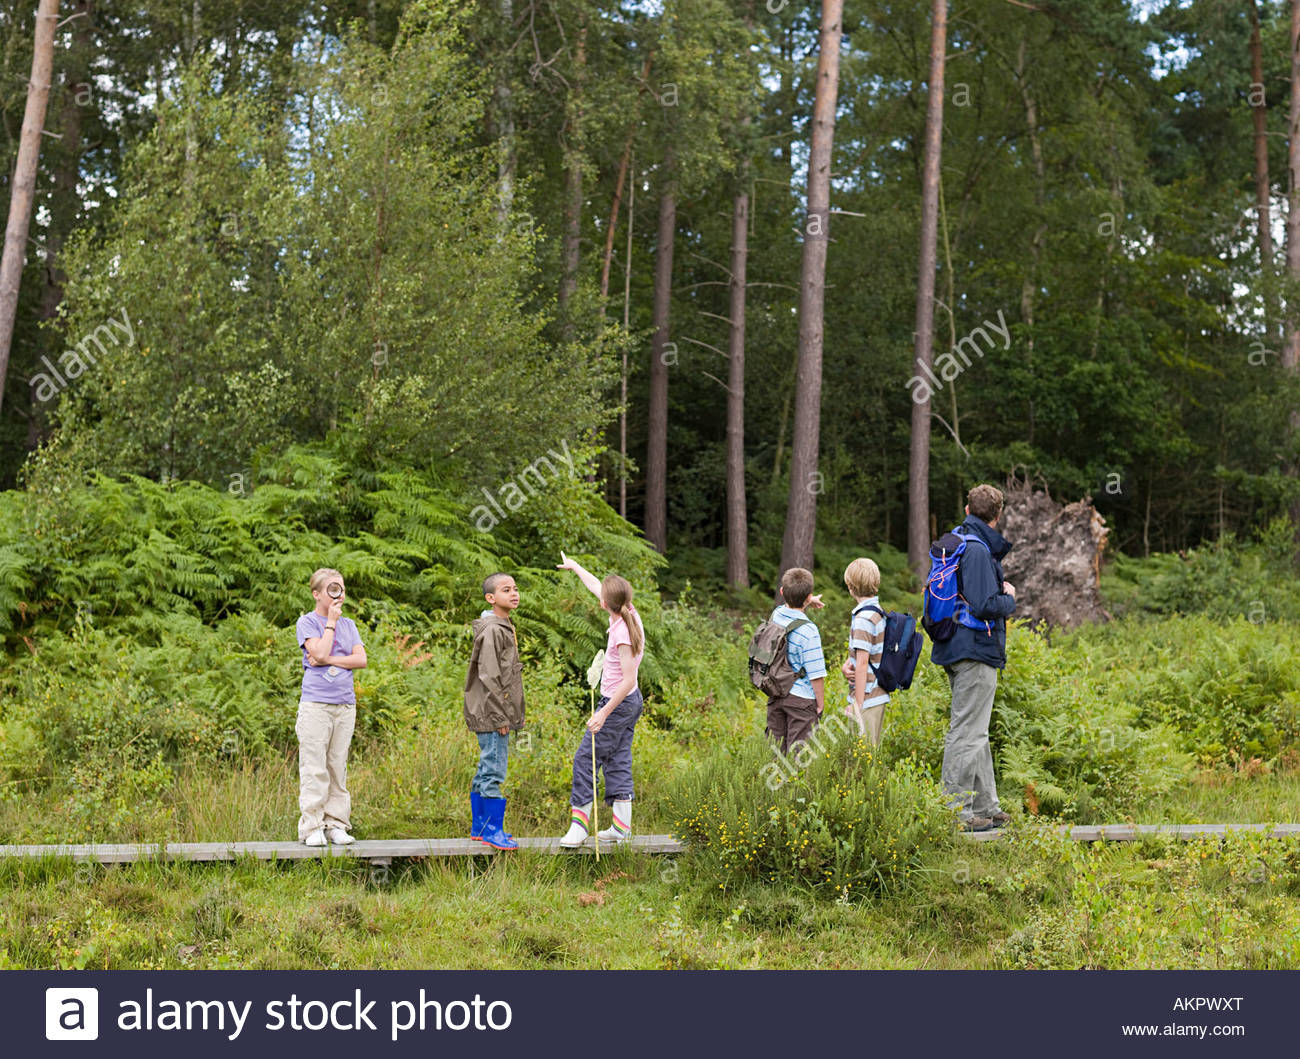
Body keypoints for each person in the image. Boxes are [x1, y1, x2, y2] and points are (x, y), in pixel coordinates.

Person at [930, 484, 1017, 832]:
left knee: (975, 729)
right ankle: (955, 812)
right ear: (997, 517)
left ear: (967, 509)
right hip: (974, 649)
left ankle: (986, 806)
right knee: (967, 731)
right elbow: (984, 605)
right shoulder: (979, 551)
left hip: (954, 645)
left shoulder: (956, 541)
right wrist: (1009, 597)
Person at [556, 551, 645, 847]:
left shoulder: (623, 631)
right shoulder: (627, 613)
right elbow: (597, 585)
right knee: (617, 759)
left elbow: (629, 680)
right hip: (626, 703)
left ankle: (579, 828)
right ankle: (621, 828)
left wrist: (603, 713)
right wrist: (575, 566)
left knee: (585, 758)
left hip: (618, 704)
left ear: (604, 604)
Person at [295, 568, 367, 846]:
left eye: (342, 588)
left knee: (337, 766)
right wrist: (331, 624)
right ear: (317, 594)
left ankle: (336, 824)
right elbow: (320, 650)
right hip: (316, 704)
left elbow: (360, 660)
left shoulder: (350, 624)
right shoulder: (308, 622)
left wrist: (327, 660)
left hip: (344, 704)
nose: (340, 594)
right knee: (314, 767)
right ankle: (312, 826)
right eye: (333, 589)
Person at [464, 573, 525, 851]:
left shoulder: (502, 625)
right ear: (490, 598)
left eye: (515, 589)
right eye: (505, 590)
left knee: (486, 765)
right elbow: (489, 676)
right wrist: (501, 717)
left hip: (492, 710)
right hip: (492, 713)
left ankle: (480, 827)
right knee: (494, 769)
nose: (514, 593)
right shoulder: (492, 630)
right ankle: (491, 830)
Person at [764, 567, 827, 756]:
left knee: (775, 754)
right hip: (802, 700)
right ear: (809, 596)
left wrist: (807, 600)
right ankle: (795, 786)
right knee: (798, 758)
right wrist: (820, 705)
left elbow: (789, 605)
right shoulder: (809, 631)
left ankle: (773, 785)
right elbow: (816, 675)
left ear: (782, 592)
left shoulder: (776, 615)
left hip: (776, 692)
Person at [842, 557, 890, 745]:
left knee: (864, 756)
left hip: (868, 697)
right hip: (875, 693)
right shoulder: (877, 612)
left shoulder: (864, 618)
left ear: (851, 587)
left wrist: (858, 705)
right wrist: (847, 666)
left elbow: (862, 664)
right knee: (868, 752)